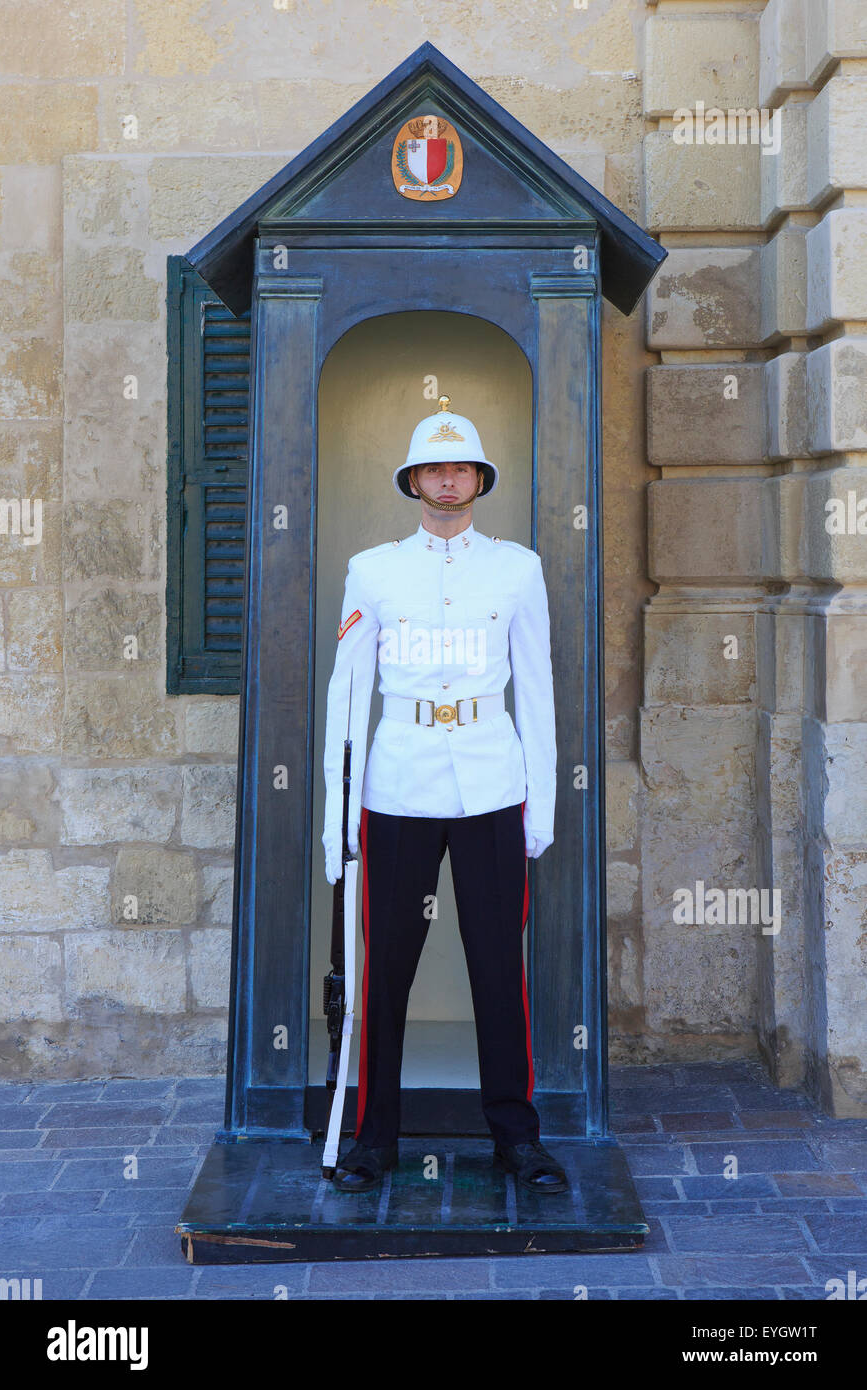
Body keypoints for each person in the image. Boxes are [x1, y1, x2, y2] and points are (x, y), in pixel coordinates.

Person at [321, 395, 565, 1194]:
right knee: (385, 969)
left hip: (494, 782)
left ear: (479, 479)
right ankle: (374, 1140)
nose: (449, 480)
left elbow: (538, 691)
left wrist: (544, 807)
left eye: (462, 468)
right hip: (399, 785)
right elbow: (348, 699)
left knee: (499, 966)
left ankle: (515, 1138)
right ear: (414, 480)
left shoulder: (517, 569)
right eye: (435, 467)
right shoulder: (375, 570)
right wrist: (337, 820)